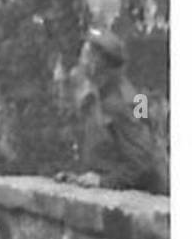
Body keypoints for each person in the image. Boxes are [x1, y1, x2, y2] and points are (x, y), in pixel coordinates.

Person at [57, 29, 169, 195]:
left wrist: (104, 181)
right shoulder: (114, 94)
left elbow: (143, 160)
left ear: (97, 63)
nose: (80, 62)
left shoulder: (122, 102)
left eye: (85, 56)